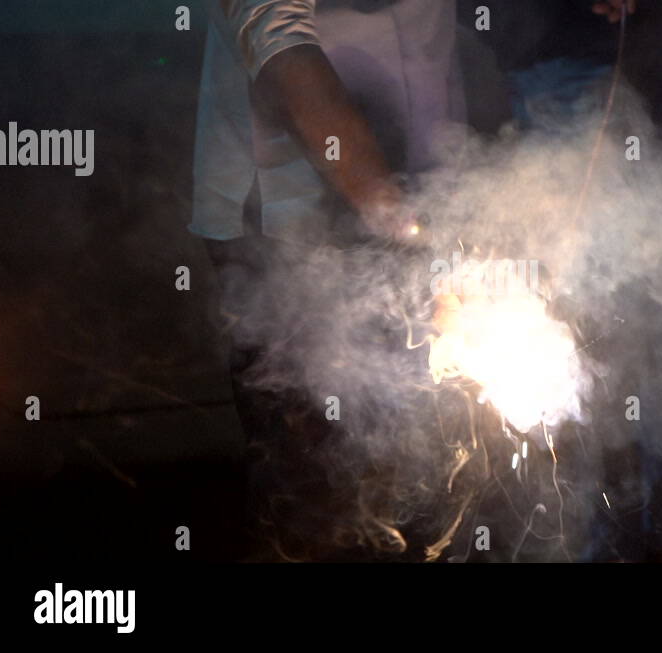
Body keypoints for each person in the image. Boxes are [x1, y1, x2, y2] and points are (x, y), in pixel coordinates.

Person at [191, 0, 636, 560]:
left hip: (431, 183)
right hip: (286, 218)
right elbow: (285, 56)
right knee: (318, 482)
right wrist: (406, 225)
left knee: (439, 466)